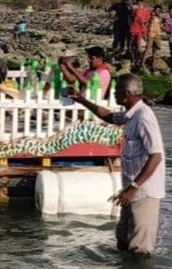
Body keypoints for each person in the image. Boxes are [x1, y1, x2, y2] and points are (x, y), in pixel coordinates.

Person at [67, 73, 165, 257]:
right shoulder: (131, 114)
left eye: (117, 90)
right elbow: (110, 117)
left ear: (127, 93)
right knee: (123, 239)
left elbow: (156, 156)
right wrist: (82, 100)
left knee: (140, 249)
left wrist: (134, 187)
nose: (114, 93)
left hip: (144, 191)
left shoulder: (144, 117)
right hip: (130, 188)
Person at [129, 0, 152, 68]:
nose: (138, 5)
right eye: (137, 3)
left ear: (142, 3)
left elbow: (147, 21)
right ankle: (133, 60)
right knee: (132, 46)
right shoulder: (134, 10)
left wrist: (145, 30)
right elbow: (132, 18)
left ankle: (139, 61)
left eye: (139, 3)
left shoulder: (146, 11)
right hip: (133, 29)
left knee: (139, 46)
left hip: (141, 30)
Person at [144, 5, 164, 70]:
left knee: (155, 50)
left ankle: (153, 64)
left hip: (157, 35)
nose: (157, 11)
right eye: (156, 10)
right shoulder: (151, 17)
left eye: (159, 10)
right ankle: (142, 63)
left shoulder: (160, 18)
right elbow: (147, 23)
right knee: (147, 49)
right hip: (151, 35)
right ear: (154, 10)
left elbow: (161, 26)